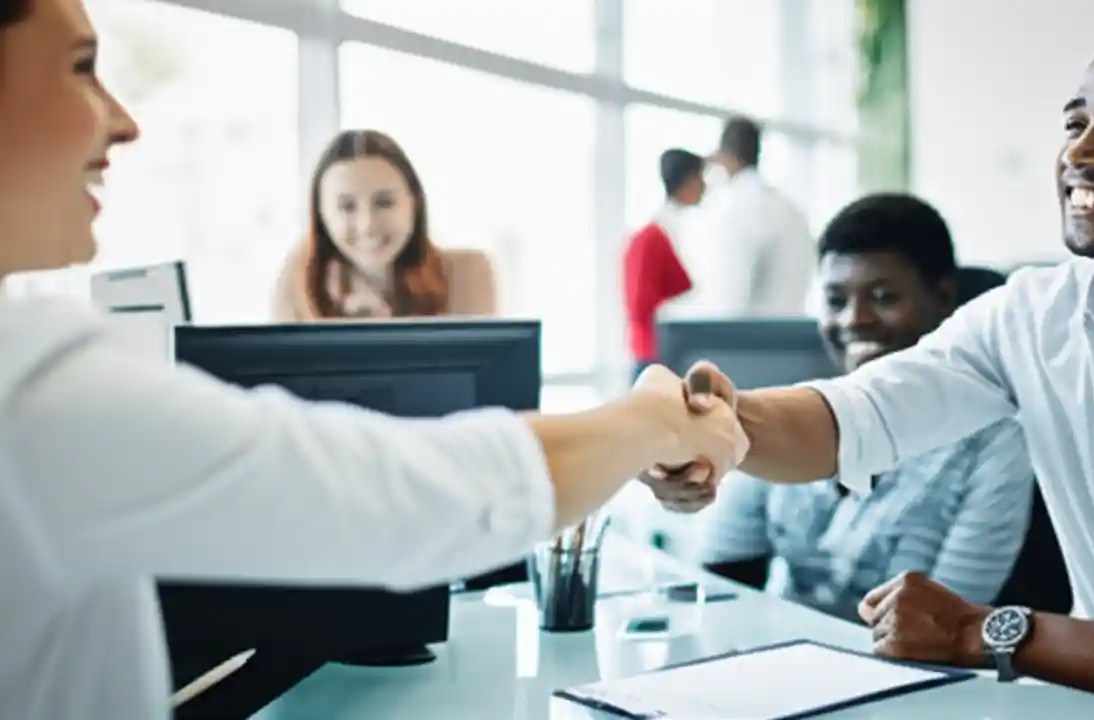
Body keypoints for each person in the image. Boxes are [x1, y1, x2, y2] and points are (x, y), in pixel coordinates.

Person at [0, 1, 748, 717]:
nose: (125, 121)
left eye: (383, 203)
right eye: (80, 66)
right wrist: (653, 419)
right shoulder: (30, 379)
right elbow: (416, 492)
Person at [646, 21, 1094, 717]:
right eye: (1075, 123)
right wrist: (713, 426)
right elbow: (853, 418)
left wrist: (981, 632)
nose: (1082, 152)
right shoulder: (1032, 312)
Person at [690, 194, 1034, 621]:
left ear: (943, 297)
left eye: (884, 297)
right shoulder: (791, 417)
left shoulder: (995, 442)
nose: (855, 318)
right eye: (836, 301)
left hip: (909, 675)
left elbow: (943, 625)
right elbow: (720, 579)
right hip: (781, 658)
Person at [271, 129, 496, 321]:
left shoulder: (466, 274)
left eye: (384, 202)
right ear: (321, 214)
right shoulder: (298, 281)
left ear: (414, 203)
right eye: (347, 207)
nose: (367, 225)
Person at [682, 116, 812, 317]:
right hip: (792, 334)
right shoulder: (791, 210)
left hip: (749, 340)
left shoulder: (737, 208)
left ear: (725, 157)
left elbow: (730, 298)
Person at [623, 148, 704, 376]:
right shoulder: (654, 235)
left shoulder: (678, 229)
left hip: (672, 355)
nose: (705, 187)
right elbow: (640, 302)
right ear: (688, 181)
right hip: (656, 358)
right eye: (701, 178)